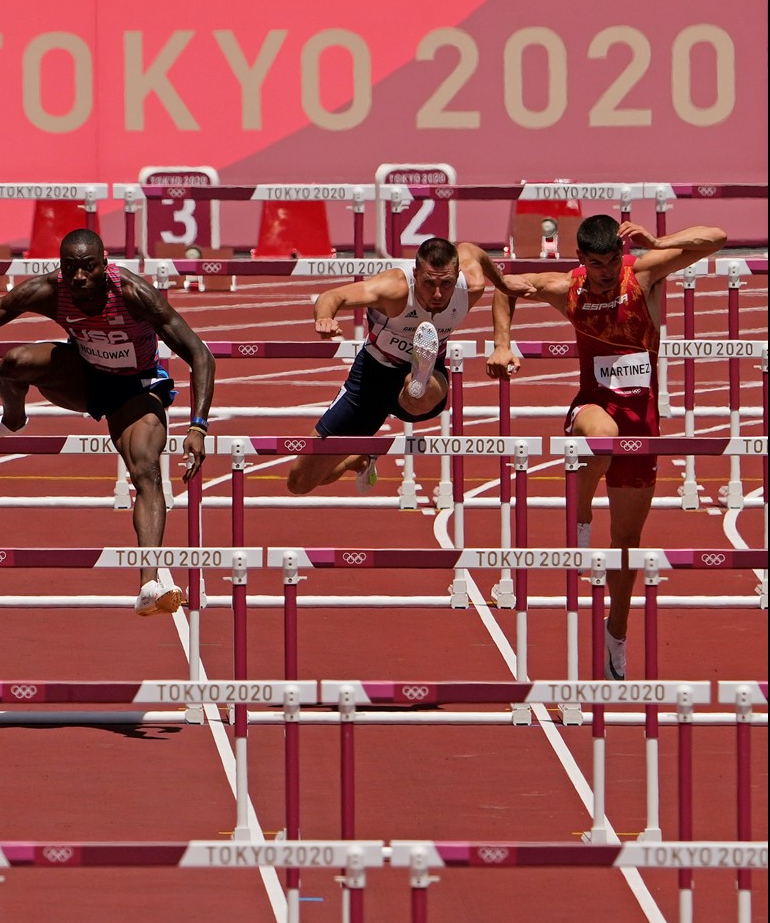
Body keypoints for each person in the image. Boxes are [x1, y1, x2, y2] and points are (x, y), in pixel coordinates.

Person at [0, 227, 215, 616]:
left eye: (88, 267)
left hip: (136, 389)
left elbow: (200, 355)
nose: (79, 278)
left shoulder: (135, 295)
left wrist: (198, 425)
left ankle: (149, 586)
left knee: (146, 471)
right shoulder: (49, 291)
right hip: (85, 377)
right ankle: (10, 421)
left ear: (105, 265)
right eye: (70, 268)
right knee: (14, 362)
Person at [488, 215, 727, 680]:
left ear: (621, 255)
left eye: (611, 261)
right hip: (593, 408)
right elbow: (505, 285)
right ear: (581, 259)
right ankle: (580, 513)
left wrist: (659, 239)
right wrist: (502, 343)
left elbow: (716, 237)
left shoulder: (643, 274)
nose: (603, 272)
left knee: (627, 543)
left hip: (644, 420)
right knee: (602, 441)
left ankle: (615, 631)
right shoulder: (566, 288)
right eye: (595, 263)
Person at [288, 237, 524, 494]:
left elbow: (472, 250)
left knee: (416, 393)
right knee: (300, 482)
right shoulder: (394, 289)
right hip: (372, 375)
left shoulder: (471, 285)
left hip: (430, 375)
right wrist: (324, 317)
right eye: (428, 283)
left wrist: (502, 282)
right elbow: (332, 296)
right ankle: (358, 459)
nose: (437, 293)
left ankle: (418, 377)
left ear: (457, 275)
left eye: (446, 284)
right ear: (415, 274)